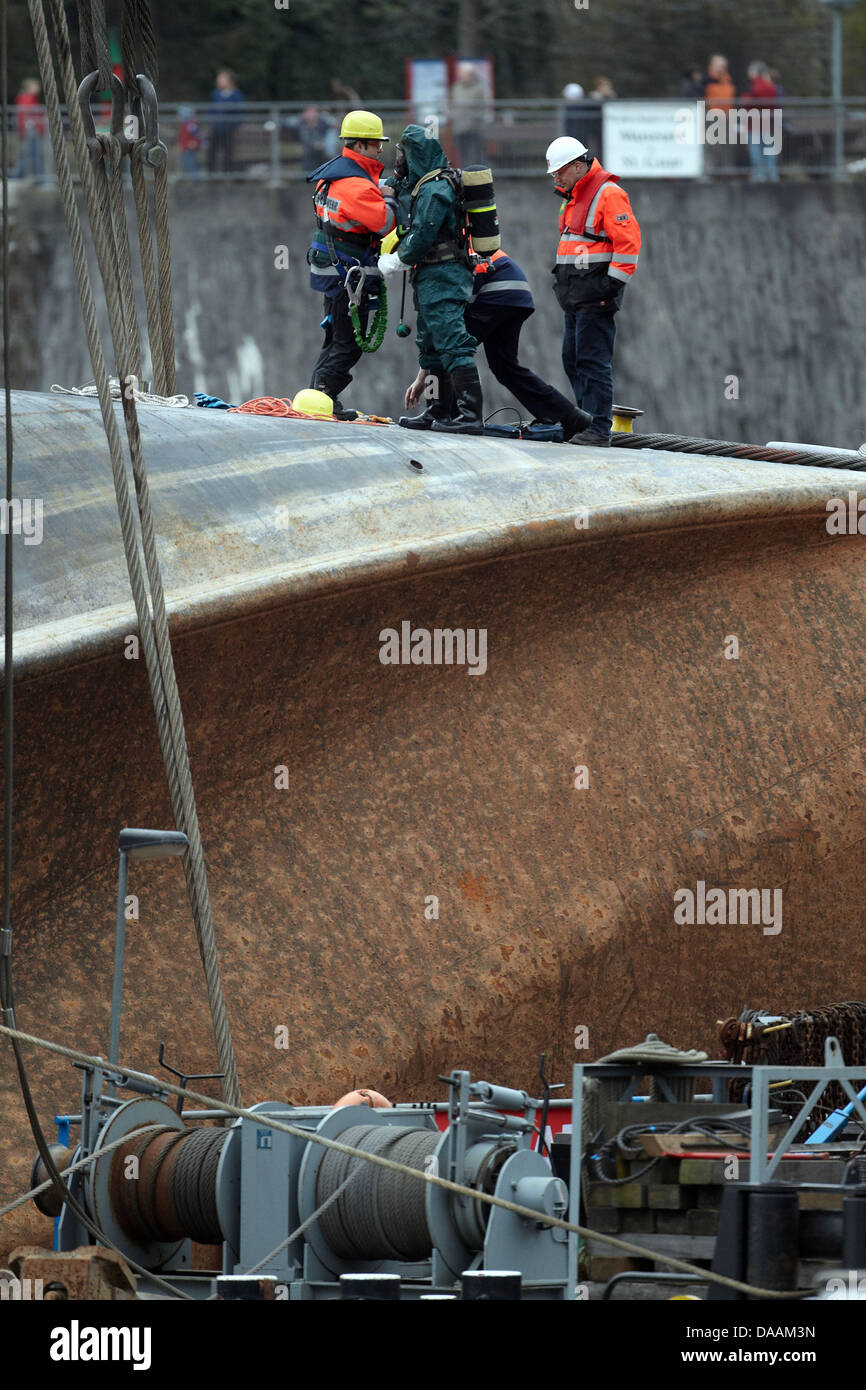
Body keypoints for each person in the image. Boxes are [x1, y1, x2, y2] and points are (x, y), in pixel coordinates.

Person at [401, 248, 591, 438]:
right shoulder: (444, 245)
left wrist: (421, 378)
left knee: (450, 347)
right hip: (516, 293)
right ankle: (570, 416)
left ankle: (444, 415)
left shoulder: (430, 263)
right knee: (504, 367)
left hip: (494, 291)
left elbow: (438, 333)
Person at [378, 124, 483, 435]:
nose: (399, 161)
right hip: (430, 275)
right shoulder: (424, 185)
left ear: (415, 156)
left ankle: (469, 414)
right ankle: (438, 410)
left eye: (403, 155)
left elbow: (424, 233)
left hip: (444, 274)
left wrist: (397, 259)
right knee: (431, 344)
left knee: (451, 340)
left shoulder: (436, 189)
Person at [545, 134, 641, 447]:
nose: (556, 178)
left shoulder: (608, 194)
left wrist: (608, 285)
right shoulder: (573, 196)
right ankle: (586, 421)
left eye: (559, 172)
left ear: (576, 166)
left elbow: (628, 246)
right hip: (577, 297)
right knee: (572, 359)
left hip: (594, 296)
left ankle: (599, 427)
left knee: (592, 361)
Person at [306, 110, 397, 415]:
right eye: (374, 144)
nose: (380, 148)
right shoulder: (356, 186)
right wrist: (392, 198)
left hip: (331, 270)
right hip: (347, 273)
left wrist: (379, 188)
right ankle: (322, 398)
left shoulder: (334, 175)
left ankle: (319, 398)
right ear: (359, 146)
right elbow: (384, 223)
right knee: (349, 344)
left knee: (335, 337)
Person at [741, 62, 780, 182]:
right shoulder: (771, 87)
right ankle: (772, 177)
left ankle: (760, 177)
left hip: (755, 124)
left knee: (756, 154)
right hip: (769, 124)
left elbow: (746, 104)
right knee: (770, 154)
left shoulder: (754, 86)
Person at [450, 63, 489, 169]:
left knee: (477, 155)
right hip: (459, 127)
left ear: (470, 74)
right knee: (463, 155)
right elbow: (453, 104)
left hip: (474, 128)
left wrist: (473, 116)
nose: (460, 75)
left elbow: (483, 107)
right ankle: (465, 176)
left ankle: (480, 178)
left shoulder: (479, 87)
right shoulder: (456, 87)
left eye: (462, 73)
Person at [207, 69, 244, 174]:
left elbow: (239, 111)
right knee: (212, 152)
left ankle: (227, 174)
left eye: (221, 79)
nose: (218, 81)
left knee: (228, 152)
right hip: (216, 128)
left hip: (229, 129)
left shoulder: (237, 95)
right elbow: (211, 109)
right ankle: (212, 175)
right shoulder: (215, 94)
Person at [13, 78, 46, 182]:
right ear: (29, 88)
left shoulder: (30, 99)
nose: (38, 88)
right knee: (33, 155)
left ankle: (38, 178)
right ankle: (40, 179)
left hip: (31, 131)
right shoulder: (26, 99)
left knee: (30, 155)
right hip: (30, 131)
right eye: (35, 86)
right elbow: (26, 115)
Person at [177, 106, 201, 177]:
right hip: (185, 147)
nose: (178, 117)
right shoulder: (185, 124)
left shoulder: (190, 125)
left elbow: (197, 135)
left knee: (190, 163)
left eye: (180, 115)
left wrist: (195, 142)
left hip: (190, 148)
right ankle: (191, 178)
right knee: (185, 162)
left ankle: (195, 178)